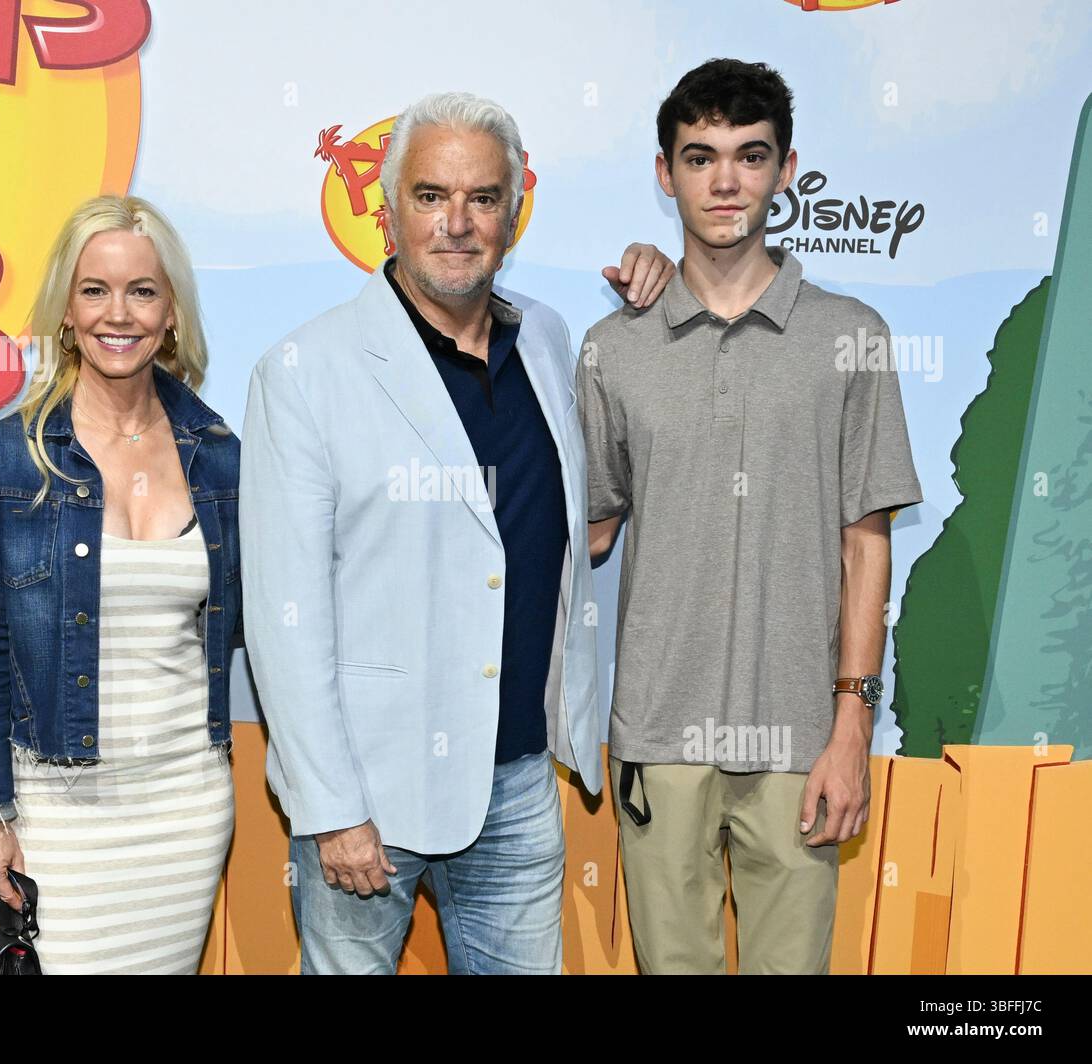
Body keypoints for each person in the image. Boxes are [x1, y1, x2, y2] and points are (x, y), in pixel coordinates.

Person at [240, 91, 675, 975]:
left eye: (482, 198)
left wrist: (660, 302)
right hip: (369, 791)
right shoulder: (305, 371)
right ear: (388, 210)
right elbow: (282, 617)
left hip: (516, 779)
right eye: (432, 195)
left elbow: (570, 528)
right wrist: (330, 808)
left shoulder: (549, 340)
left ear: (513, 214)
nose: (458, 223)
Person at [577, 58, 924, 974]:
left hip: (802, 741)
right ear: (665, 174)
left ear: (787, 169)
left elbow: (866, 547)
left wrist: (852, 727)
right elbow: (592, 526)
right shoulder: (614, 347)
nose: (725, 181)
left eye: (749, 155)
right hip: (660, 737)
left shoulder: (852, 335)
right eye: (700, 157)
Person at [0, 195, 242, 974]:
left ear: (172, 311)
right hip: (60, 814)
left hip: (184, 806)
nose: (120, 313)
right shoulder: (7, 463)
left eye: (142, 291)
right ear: (67, 310)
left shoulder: (221, 459)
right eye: (95, 290)